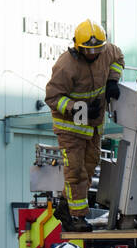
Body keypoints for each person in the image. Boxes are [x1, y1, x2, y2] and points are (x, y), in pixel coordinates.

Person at [45, 20, 125, 232]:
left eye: (97, 49)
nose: (94, 54)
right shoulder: (65, 65)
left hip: (94, 125)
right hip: (70, 128)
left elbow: (118, 57)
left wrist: (112, 81)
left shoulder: (106, 51)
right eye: (89, 50)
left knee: (89, 169)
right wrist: (76, 108)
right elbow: (53, 97)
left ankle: (64, 206)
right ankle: (77, 217)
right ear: (78, 47)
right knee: (75, 172)